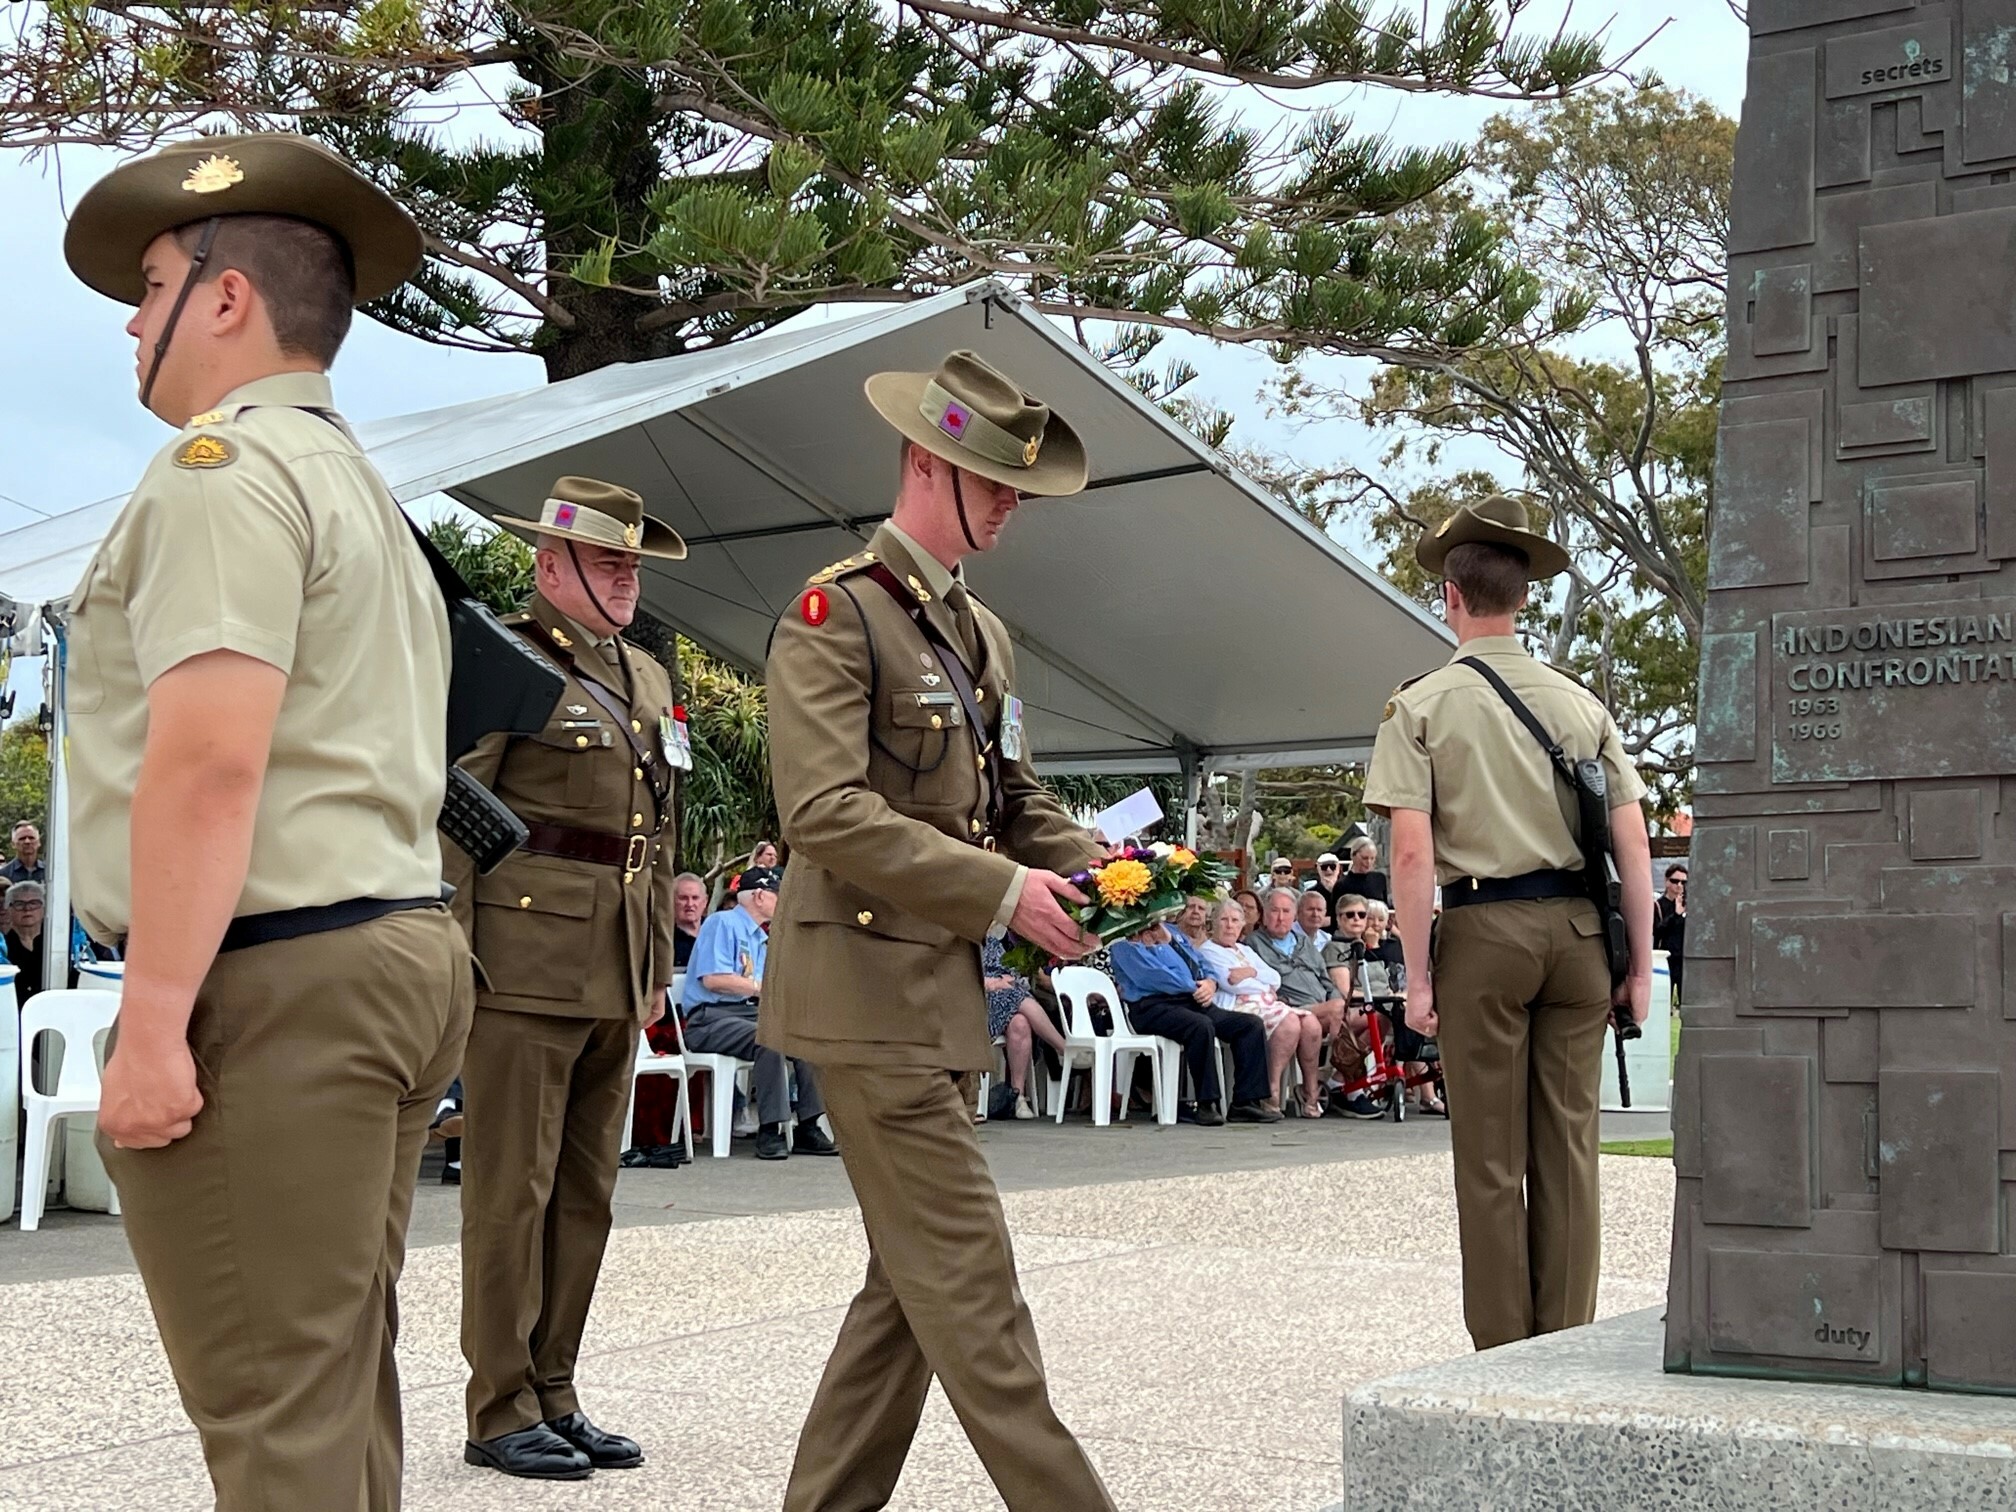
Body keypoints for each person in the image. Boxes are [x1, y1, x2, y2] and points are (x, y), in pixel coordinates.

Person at [65, 134, 470, 1512]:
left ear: (226, 301)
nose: (132, 312)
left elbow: (207, 765)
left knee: (277, 1427)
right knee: (334, 1397)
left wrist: (155, 1021)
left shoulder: (222, 470)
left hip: (278, 981)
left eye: (158, 276)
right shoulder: (358, 485)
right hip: (386, 952)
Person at [761, 349, 1117, 1512]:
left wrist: (1097, 868)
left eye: (1016, 485)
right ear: (925, 462)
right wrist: (1004, 895)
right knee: (973, 1292)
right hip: (868, 1001)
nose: (1010, 504)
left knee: (906, 1295)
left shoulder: (983, 635)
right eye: (989, 479)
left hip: (936, 1005)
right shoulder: (836, 613)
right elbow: (821, 812)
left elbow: (1012, 799)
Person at [1365, 494, 1652, 1353]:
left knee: (1491, 1159)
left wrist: (1416, 975)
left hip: (1484, 933)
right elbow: (1634, 848)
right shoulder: (1578, 704)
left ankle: (1502, 1351)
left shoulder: (1420, 706)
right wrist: (1637, 967)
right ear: (1523, 599)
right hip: (1577, 935)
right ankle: (1563, 1342)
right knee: (1569, 1148)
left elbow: (1411, 859)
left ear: (1450, 597)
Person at [448, 475, 687, 1481]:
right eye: (608, 560)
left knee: (586, 1190)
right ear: (551, 566)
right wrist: (449, 954)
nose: (627, 578)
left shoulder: (641, 675)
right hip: (521, 960)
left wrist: (657, 964)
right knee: (513, 1188)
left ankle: (556, 1387)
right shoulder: (503, 657)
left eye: (634, 563)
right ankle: (498, 1404)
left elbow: (655, 832)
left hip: (614, 962)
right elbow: (451, 811)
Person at [683, 866, 835, 1160]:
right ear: (761, 896)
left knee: (806, 1037)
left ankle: (808, 1125)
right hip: (710, 1018)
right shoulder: (722, 923)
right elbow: (714, 979)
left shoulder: (762, 937)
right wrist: (761, 987)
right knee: (770, 1039)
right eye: (780, 895)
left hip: (748, 1014)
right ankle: (771, 1128)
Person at [1108, 920, 1277, 1124]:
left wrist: (1210, 982)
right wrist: (1195, 985)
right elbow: (1156, 978)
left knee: (1250, 1025)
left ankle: (1245, 1102)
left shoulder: (1170, 932)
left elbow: (1201, 962)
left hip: (1193, 1000)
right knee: (1200, 1025)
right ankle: (1207, 1104)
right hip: (1153, 1006)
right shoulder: (1124, 944)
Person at [1199, 898, 1319, 1117]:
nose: (1229, 925)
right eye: (1224, 920)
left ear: (1242, 925)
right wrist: (1261, 983)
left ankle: (1311, 1094)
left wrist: (1250, 972)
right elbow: (1231, 984)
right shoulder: (1209, 950)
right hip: (1235, 1008)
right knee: (1290, 1021)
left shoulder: (1244, 951)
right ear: (1213, 924)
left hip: (1263, 1003)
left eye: (1235, 920)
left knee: (1311, 1023)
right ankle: (1270, 1091)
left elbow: (1276, 978)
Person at [983, 935, 1065, 1120]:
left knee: (1020, 1022)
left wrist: (1009, 981)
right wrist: (993, 983)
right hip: (979, 1004)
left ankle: (1018, 1096)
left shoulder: (996, 943)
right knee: (1016, 995)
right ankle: (1063, 1048)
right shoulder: (965, 942)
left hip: (1005, 1001)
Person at [4, 880, 48, 1003]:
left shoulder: (54, 945)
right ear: (8, 910)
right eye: (19, 904)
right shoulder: (3, 947)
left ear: (44, 908)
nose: (27, 909)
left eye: (34, 903)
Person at [1654, 863, 1686, 1005]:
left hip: (1684, 960)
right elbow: (1657, 930)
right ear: (1667, 882)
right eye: (1675, 881)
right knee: (1662, 1003)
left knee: (1686, 1003)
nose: (1679, 885)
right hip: (1665, 959)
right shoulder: (1658, 905)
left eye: (1684, 882)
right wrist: (1676, 915)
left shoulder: (1690, 904)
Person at [671, 871, 708, 970]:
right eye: (683, 898)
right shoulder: (664, 938)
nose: (690, 904)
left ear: (705, 902)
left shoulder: (718, 932)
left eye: (695, 898)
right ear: (671, 901)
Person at [1345, 834, 1392, 906]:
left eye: (1372, 858)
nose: (1368, 862)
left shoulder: (1380, 879)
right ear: (1353, 856)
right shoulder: (1342, 884)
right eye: (1364, 858)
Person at [1307, 851, 1347, 926]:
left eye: (1332, 866)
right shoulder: (1311, 893)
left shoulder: (1347, 889)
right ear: (1318, 869)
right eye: (1324, 867)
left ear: (1338, 868)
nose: (1328, 870)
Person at [2, 821, 44, 885]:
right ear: (13, 844)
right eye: (22, 838)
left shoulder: (50, 873)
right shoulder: (3, 874)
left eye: (31, 838)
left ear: (39, 842)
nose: (27, 841)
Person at [1296, 886, 1332, 951]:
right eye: (1310, 909)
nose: (1315, 914)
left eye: (1319, 910)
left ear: (1325, 913)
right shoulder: (1286, 935)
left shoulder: (1327, 939)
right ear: (1298, 911)